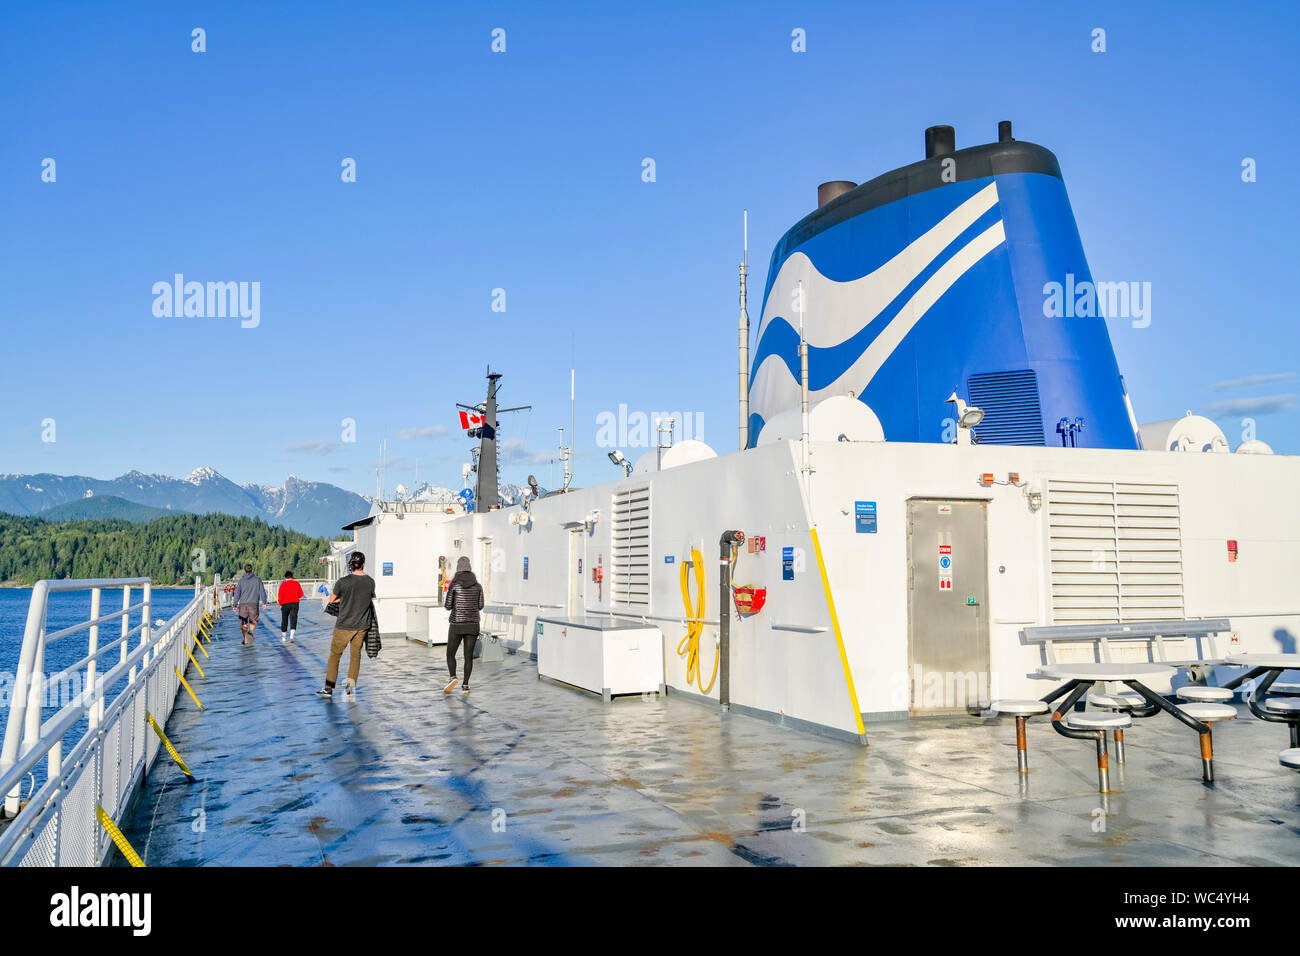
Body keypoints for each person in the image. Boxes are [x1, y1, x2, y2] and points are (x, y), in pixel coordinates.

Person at [316, 551, 376, 700]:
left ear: (350, 565)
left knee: (335, 656)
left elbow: (332, 600)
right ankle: (350, 688)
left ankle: (328, 689)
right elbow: (368, 599)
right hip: (362, 625)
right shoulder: (370, 581)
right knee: (355, 656)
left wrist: (343, 599)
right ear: (363, 563)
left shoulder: (343, 582)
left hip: (344, 625)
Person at [443, 556, 484, 695]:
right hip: (473, 625)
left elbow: (448, 606)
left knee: (450, 654)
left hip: (457, 625)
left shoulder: (454, 585)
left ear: (458, 569)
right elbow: (480, 606)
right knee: (468, 656)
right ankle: (465, 685)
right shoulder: (478, 586)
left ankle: (453, 677)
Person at [233, 563, 269, 646]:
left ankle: (245, 639)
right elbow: (262, 591)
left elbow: (237, 593)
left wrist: (235, 604)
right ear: (251, 569)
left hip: (243, 605)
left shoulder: (241, 581)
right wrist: (264, 602)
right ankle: (250, 631)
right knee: (254, 621)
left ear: (245, 570)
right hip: (253, 604)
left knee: (243, 622)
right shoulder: (258, 580)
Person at [277, 571, 304, 644]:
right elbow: (301, 595)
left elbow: (280, 596)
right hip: (295, 603)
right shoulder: (297, 583)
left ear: (285, 577)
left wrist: (280, 604)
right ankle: (291, 636)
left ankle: (284, 638)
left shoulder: (283, 584)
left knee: (284, 620)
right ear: (292, 577)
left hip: (285, 604)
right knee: (293, 619)